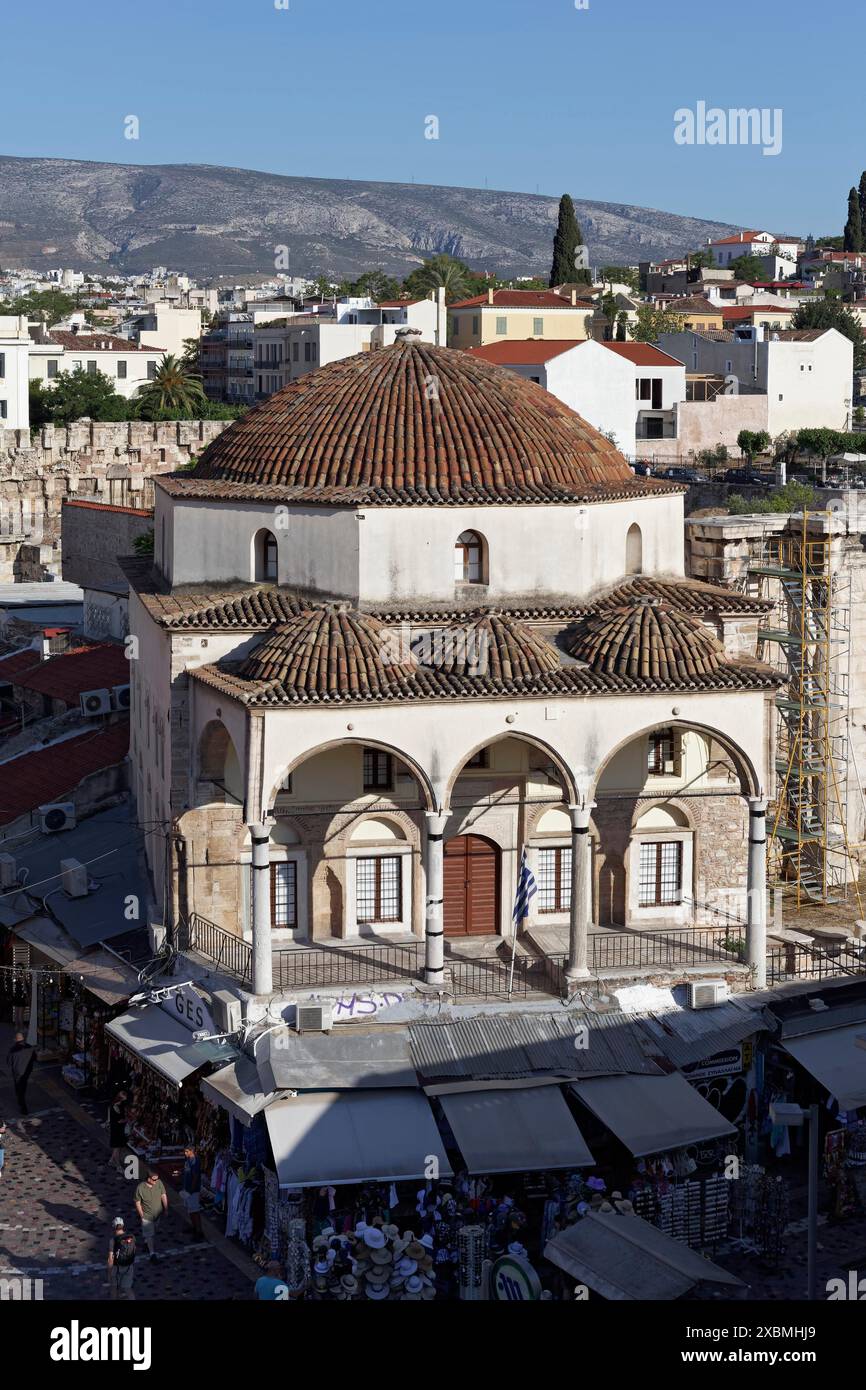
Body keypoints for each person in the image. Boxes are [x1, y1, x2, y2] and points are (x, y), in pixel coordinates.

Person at [134, 1170, 168, 1260]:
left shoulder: (159, 1183)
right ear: (148, 1179)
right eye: (154, 1180)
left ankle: (146, 1242)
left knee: (153, 1231)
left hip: (157, 1215)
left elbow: (163, 1195)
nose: (156, 1181)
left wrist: (166, 1208)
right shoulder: (140, 1188)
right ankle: (152, 1253)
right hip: (147, 1216)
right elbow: (137, 1202)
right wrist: (142, 1215)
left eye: (157, 1179)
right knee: (149, 1234)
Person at [6, 1033, 36, 1116]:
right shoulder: (30, 1047)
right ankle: (20, 1100)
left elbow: (9, 1062)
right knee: (23, 1086)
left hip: (17, 1073)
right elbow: (34, 1058)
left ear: (15, 1040)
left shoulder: (12, 1050)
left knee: (19, 1089)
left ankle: (23, 1107)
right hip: (27, 1072)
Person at [107, 1216, 136, 1300]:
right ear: (123, 1226)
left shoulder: (113, 1240)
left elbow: (110, 1259)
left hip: (117, 1268)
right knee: (128, 1289)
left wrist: (109, 1273)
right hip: (129, 1266)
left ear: (114, 1227)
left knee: (114, 1288)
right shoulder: (131, 1237)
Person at [182, 1144, 204, 1241]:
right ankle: (194, 1227)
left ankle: (199, 1231)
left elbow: (195, 1177)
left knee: (195, 1211)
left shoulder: (195, 1161)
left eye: (187, 1151)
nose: (185, 1153)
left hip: (192, 1191)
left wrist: (191, 1190)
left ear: (192, 1151)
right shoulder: (188, 1159)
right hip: (187, 1189)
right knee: (190, 1210)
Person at [108, 1089, 128, 1170]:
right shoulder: (116, 1107)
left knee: (117, 1147)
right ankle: (118, 1165)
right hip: (117, 1129)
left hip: (117, 1129)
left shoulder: (118, 1105)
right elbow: (119, 1120)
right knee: (117, 1148)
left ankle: (111, 1161)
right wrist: (127, 1119)